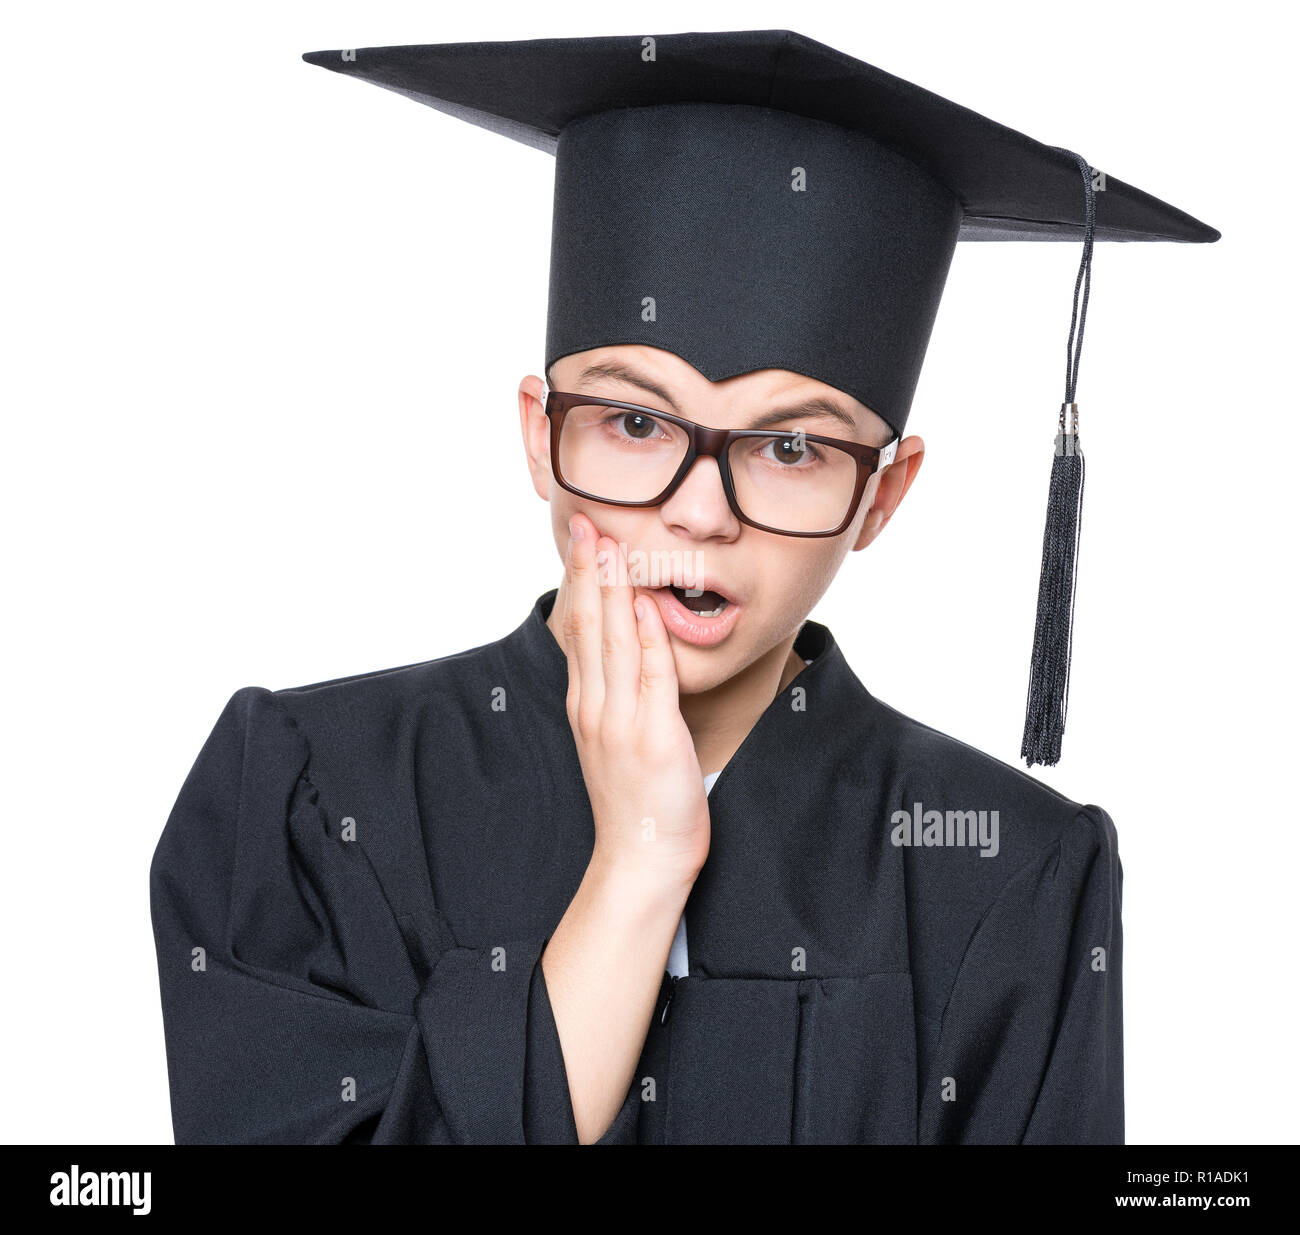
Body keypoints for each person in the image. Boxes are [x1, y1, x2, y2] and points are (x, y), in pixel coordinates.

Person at [149, 30, 1217, 1144]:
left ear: (883, 497)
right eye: (634, 420)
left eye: (793, 447)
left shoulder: (1008, 871)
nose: (699, 510)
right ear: (536, 433)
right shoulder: (312, 796)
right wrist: (638, 865)